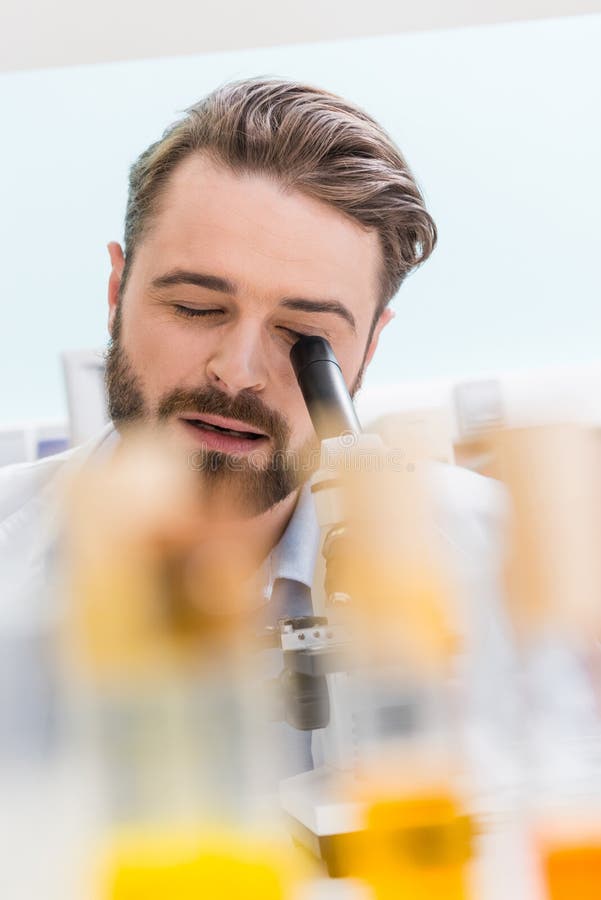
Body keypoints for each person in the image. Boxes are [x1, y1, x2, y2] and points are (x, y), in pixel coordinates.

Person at [0, 80, 508, 774]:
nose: (236, 371)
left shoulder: (498, 558)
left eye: (301, 333)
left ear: (367, 348)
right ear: (117, 291)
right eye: (194, 307)